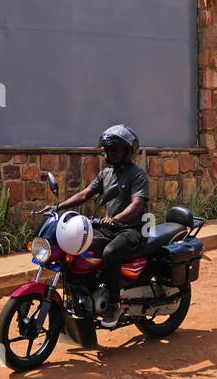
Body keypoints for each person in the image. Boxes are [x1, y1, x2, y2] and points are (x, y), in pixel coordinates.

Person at [54, 124, 149, 321]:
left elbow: (137, 205)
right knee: (79, 247)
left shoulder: (137, 175)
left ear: (127, 151)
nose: (110, 153)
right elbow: (85, 194)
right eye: (108, 149)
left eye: (115, 149)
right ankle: (82, 294)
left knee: (110, 253)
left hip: (131, 230)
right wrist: (58, 207)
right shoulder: (106, 173)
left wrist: (115, 219)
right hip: (110, 229)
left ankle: (114, 304)